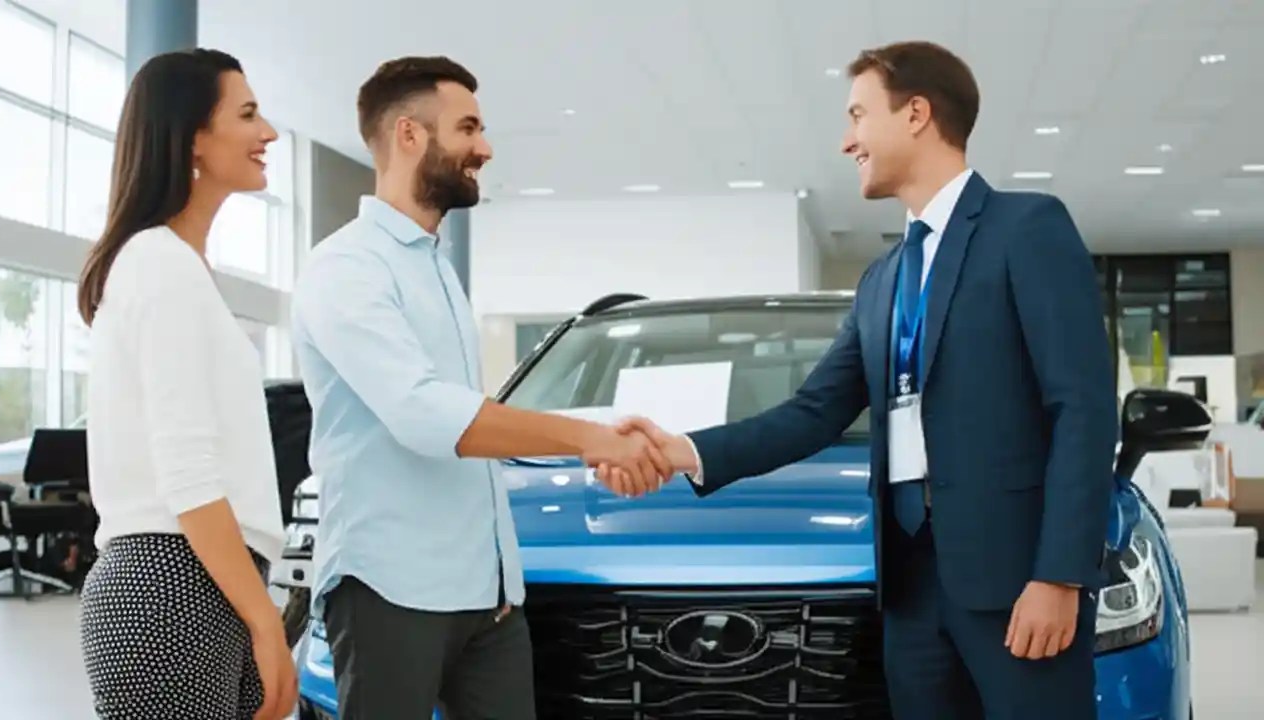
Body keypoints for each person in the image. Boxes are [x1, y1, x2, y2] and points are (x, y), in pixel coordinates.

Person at [608, 41, 1117, 720]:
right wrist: (682, 450)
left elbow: (1081, 408)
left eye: (857, 115)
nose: (847, 140)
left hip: (1016, 580)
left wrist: (1058, 574)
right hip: (909, 587)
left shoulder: (1025, 229)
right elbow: (813, 413)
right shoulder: (882, 282)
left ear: (916, 114)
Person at [290, 55, 669, 720]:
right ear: (410, 135)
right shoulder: (345, 268)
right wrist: (587, 437)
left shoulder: (437, 268)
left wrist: (500, 574)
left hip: (486, 601)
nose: (485, 147)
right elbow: (424, 413)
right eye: (469, 128)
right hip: (391, 591)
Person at [76, 49, 295, 719]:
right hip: (173, 585)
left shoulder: (172, 267)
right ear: (192, 137)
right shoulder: (158, 263)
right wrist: (266, 623)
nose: (270, 134)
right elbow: (188, 471)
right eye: (248, 113)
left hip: (194, 580)